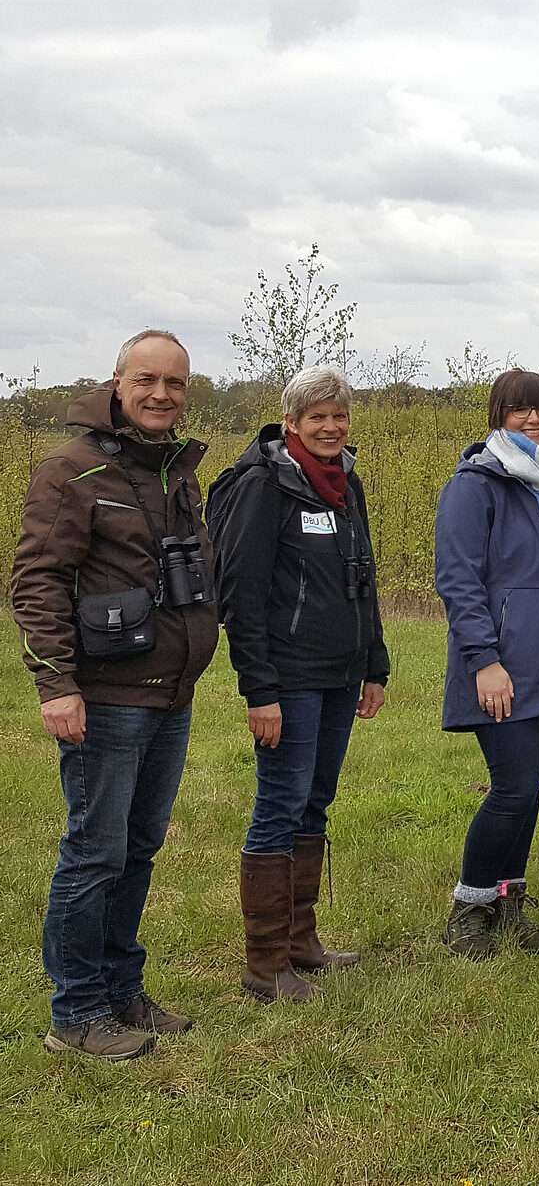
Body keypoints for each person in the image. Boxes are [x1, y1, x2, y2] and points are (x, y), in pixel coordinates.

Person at [12, 330, 218, 1060]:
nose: (163, 394)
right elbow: (36, 584)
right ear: (117, 381)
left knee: (138, 848)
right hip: (105, 697)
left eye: (177, 383)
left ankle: (122, 989)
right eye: (148, 380)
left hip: (171, 695)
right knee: (93, 852)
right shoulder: (71, 470)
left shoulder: (178, 471)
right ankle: (76, 1012)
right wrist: (57, 684)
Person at [209, 365, 390, 1000]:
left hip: (342, 673)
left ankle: (299, 941)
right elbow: (241, 593)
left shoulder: (348, 484)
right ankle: (265, 964)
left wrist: (376, 664)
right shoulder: (266, 485)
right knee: (280, 807)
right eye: (317, 417)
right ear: (292, 423)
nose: (331, 426)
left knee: (315, 803)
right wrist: (259, 690)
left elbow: (362, 577)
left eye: (339, 415)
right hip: (288, 678)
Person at [434, 369, 539, 960]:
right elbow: (458, 580)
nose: (533, 420)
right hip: (503, 658)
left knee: (528, 791)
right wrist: (484, 659)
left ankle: (509, 904)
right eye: (518, 410)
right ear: (497, 415)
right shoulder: (475, 484)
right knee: (514, 786)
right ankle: (470, 906)